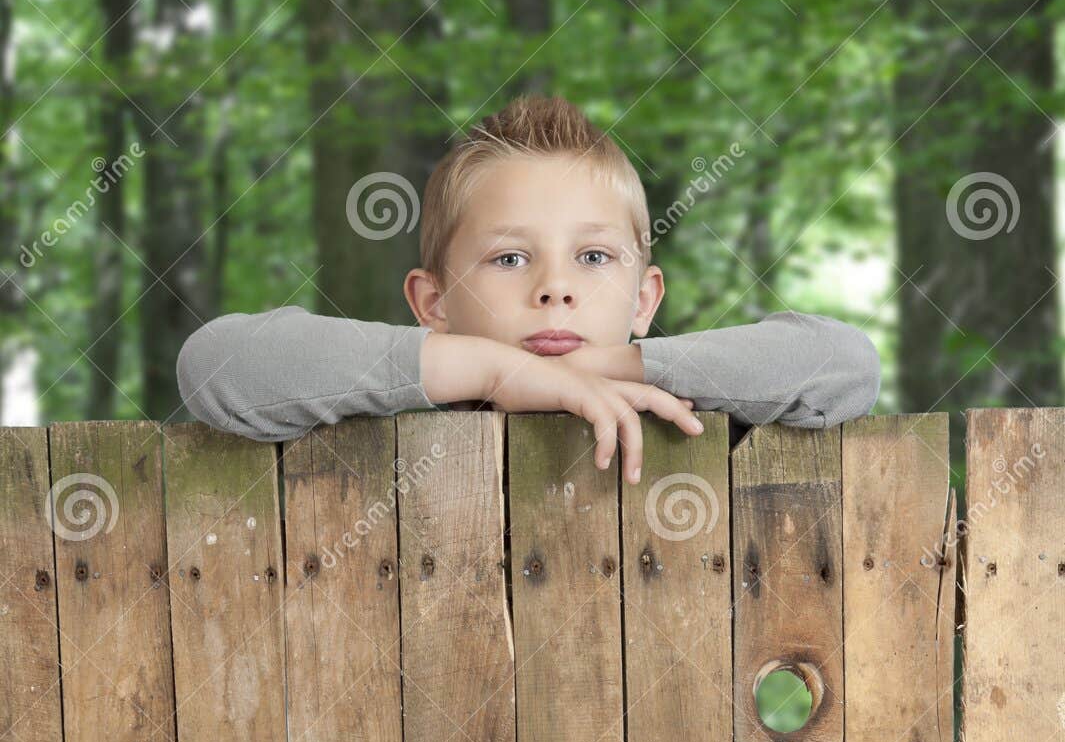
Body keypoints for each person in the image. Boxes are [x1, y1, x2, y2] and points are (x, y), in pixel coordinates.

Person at [176, 94, 880, 483]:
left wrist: (608, 368)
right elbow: (219, 365)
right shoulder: (384, 403)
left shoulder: (685, 398)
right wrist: (497, 372)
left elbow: (845, 366)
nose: (554, 289)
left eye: (594, 257)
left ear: (644, 301)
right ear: (433, 304)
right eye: (510, 259)